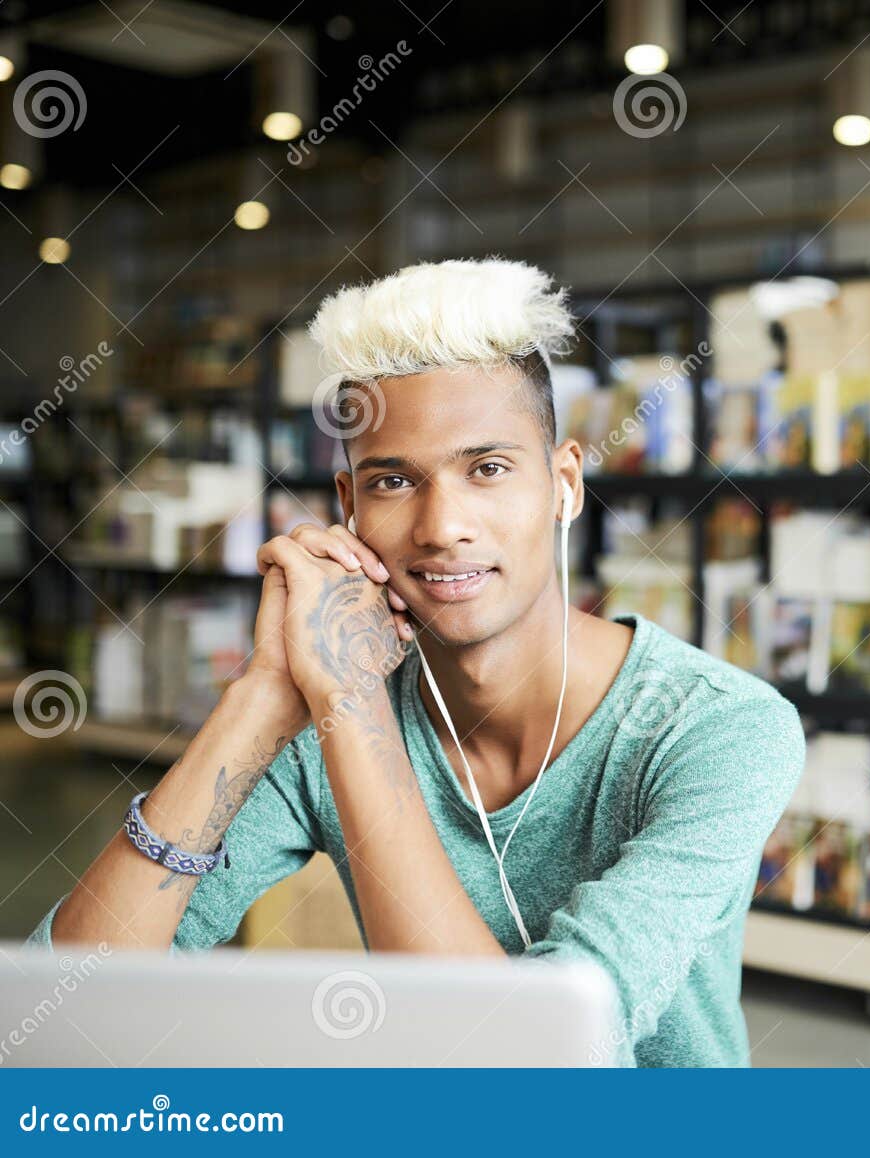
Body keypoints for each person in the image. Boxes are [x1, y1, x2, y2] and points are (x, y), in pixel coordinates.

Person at [27, 257, 808, 1067]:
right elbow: (68, 1011)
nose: (442, 526)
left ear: (565, 486)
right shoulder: (323, 716)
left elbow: (526, 1070)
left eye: (489, 469)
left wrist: (355, 705)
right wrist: (262, 696)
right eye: (395, 481)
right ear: (349, 509)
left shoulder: (720, 730)